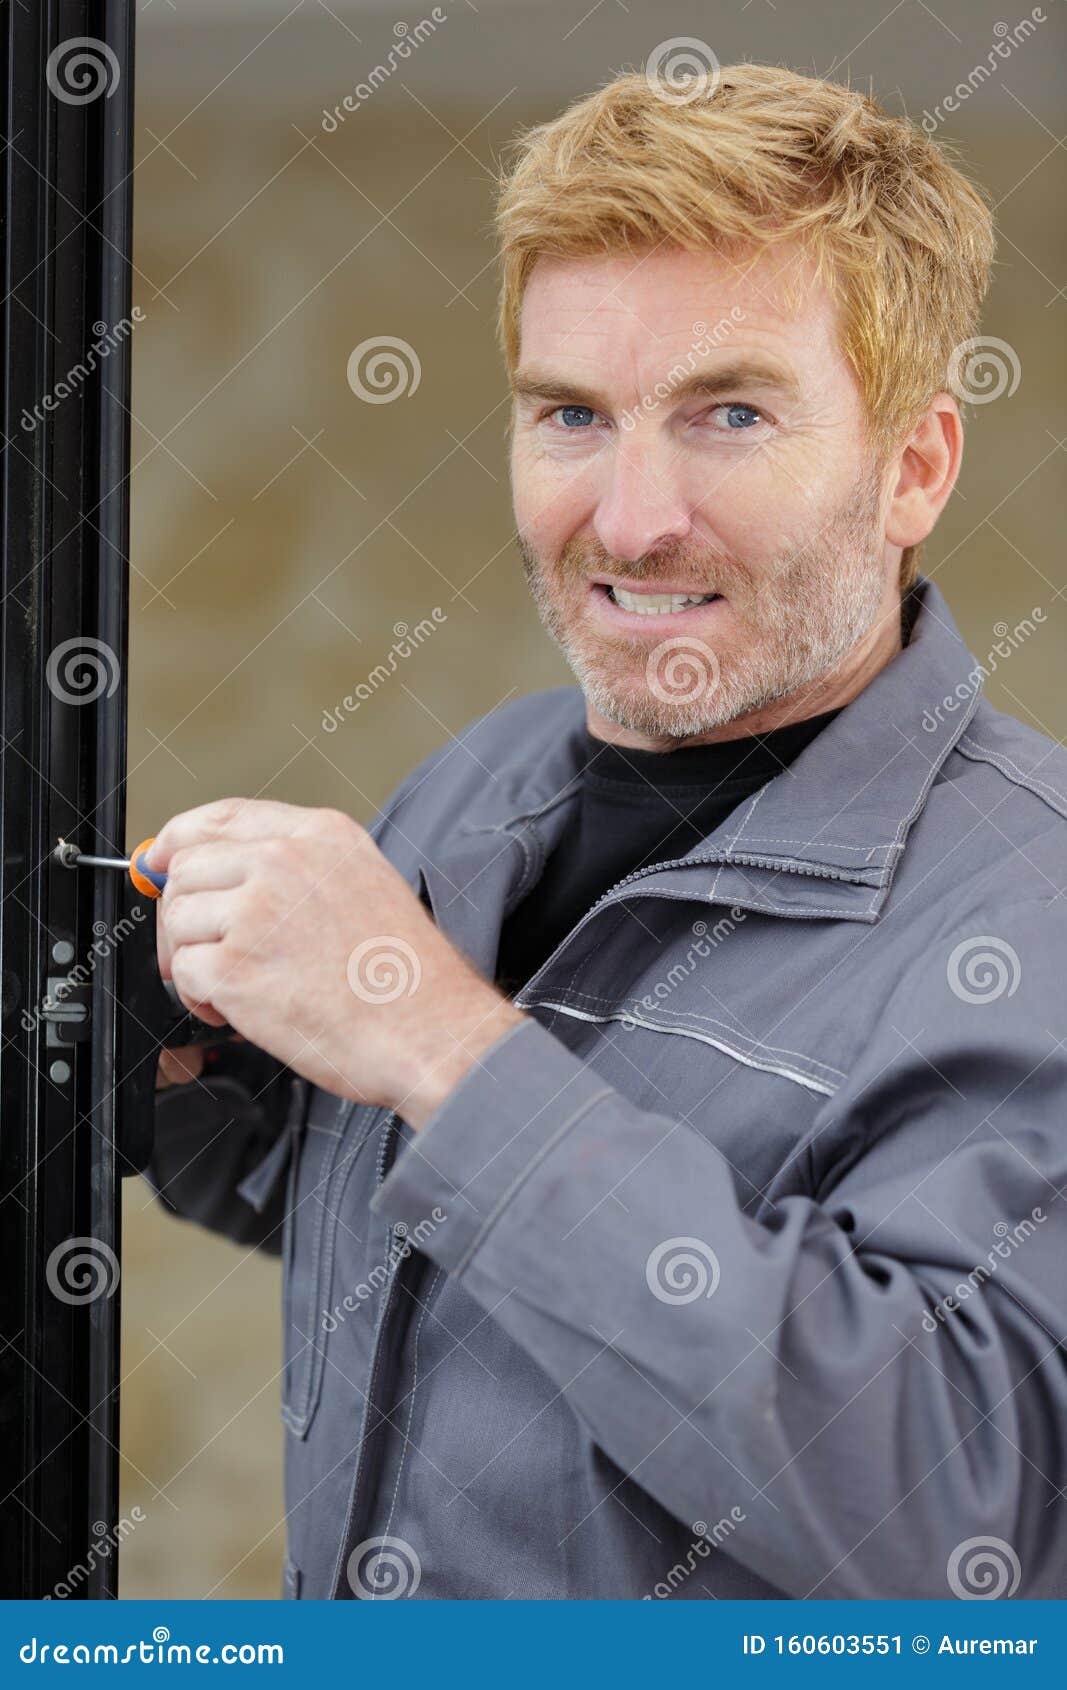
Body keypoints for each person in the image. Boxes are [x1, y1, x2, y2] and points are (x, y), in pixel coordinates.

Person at [147, 63, 1067, 1601]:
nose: (632, 519)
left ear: (914, 465)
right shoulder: (479, 782)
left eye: (730, 414)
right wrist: (183, 1068)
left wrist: (438, 1041)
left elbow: (961, 1514)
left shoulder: (1034, 911)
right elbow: (424, 1249)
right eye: (572, 413)